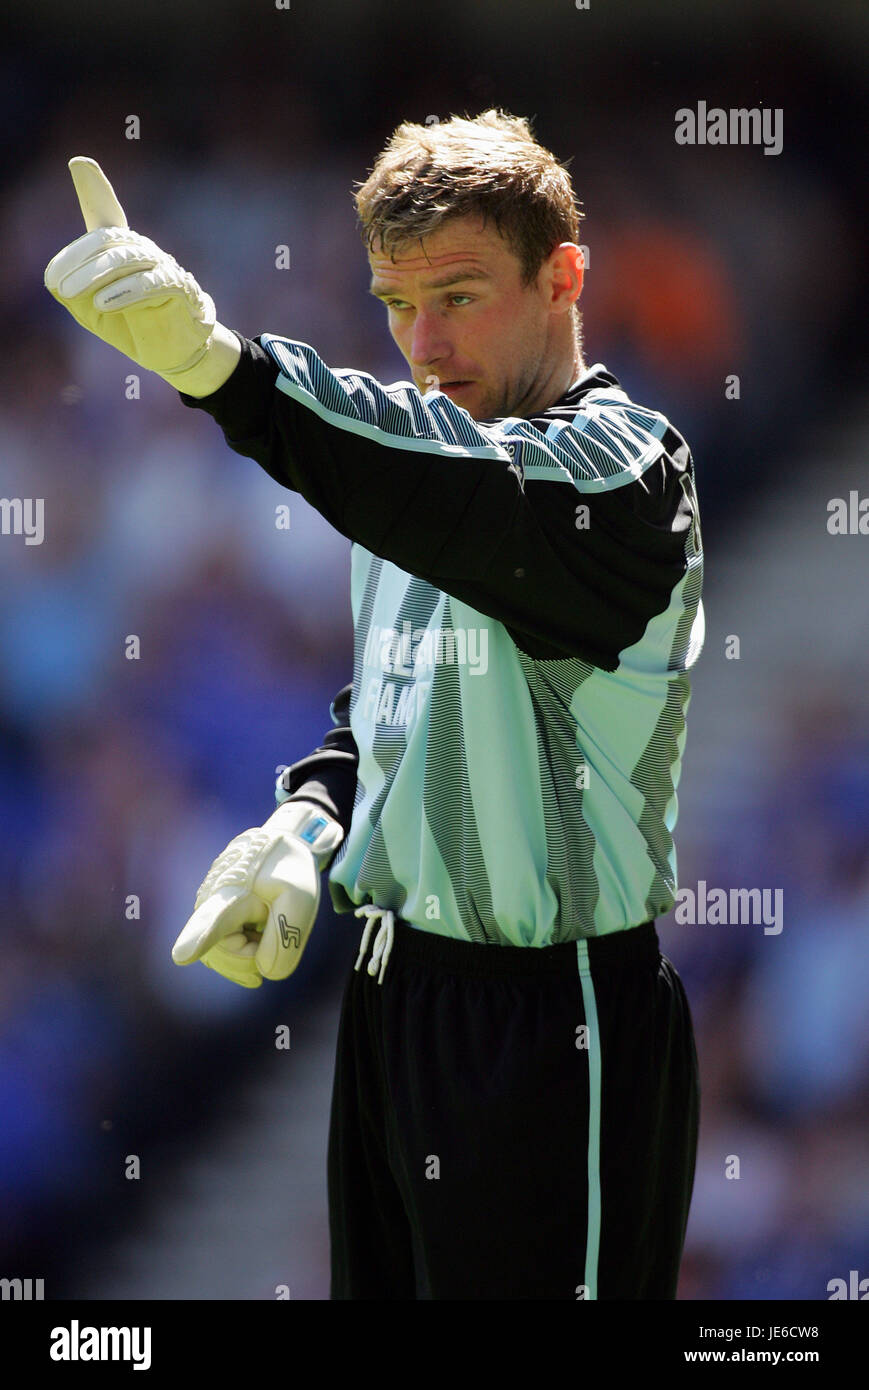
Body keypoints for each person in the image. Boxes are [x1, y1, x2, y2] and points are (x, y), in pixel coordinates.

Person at [44, 108, 704, 1300]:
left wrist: (221, 368)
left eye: (456, 294)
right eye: (396, 302)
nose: (421, 339)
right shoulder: (416, 483)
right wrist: (306, 828)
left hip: (558, 1023)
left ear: (562, 276)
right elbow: (389, 716)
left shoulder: (626, 470)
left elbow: (466, 495)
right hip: (396, 997)